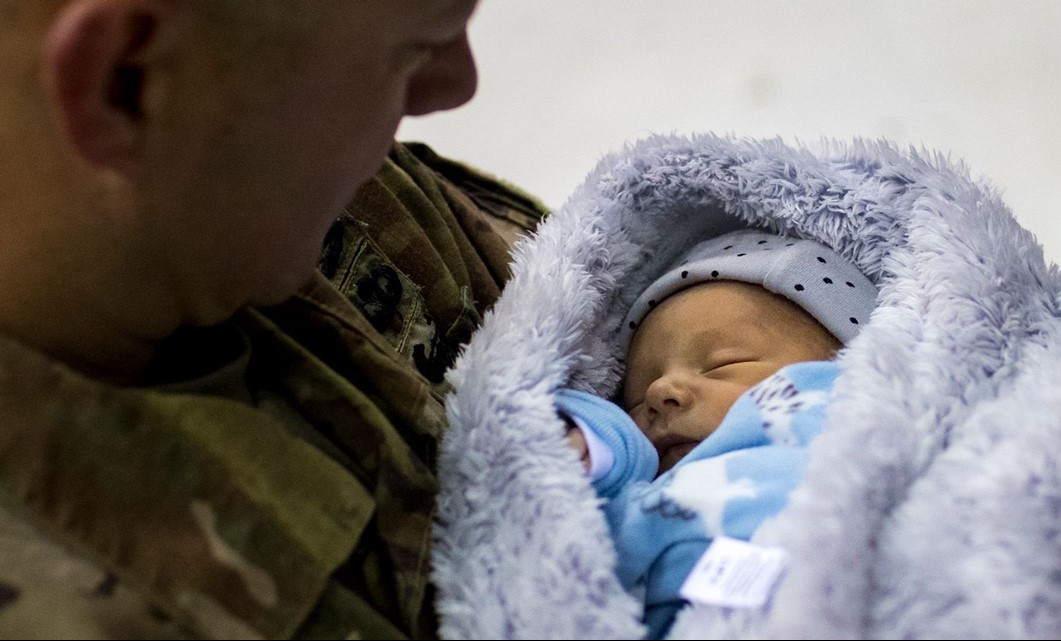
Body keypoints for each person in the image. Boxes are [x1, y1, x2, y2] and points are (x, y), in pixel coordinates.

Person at [0, 1, 545, 638]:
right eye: (420, 46)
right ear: (127, 82)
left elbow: (628, 308)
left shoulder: (282, 185)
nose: (456, 86)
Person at [556, 229, 878, 638]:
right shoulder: (645, 485)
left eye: (723, 363)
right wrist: (594, 434)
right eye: (636, 397)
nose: (659, 392)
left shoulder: (842, 406)